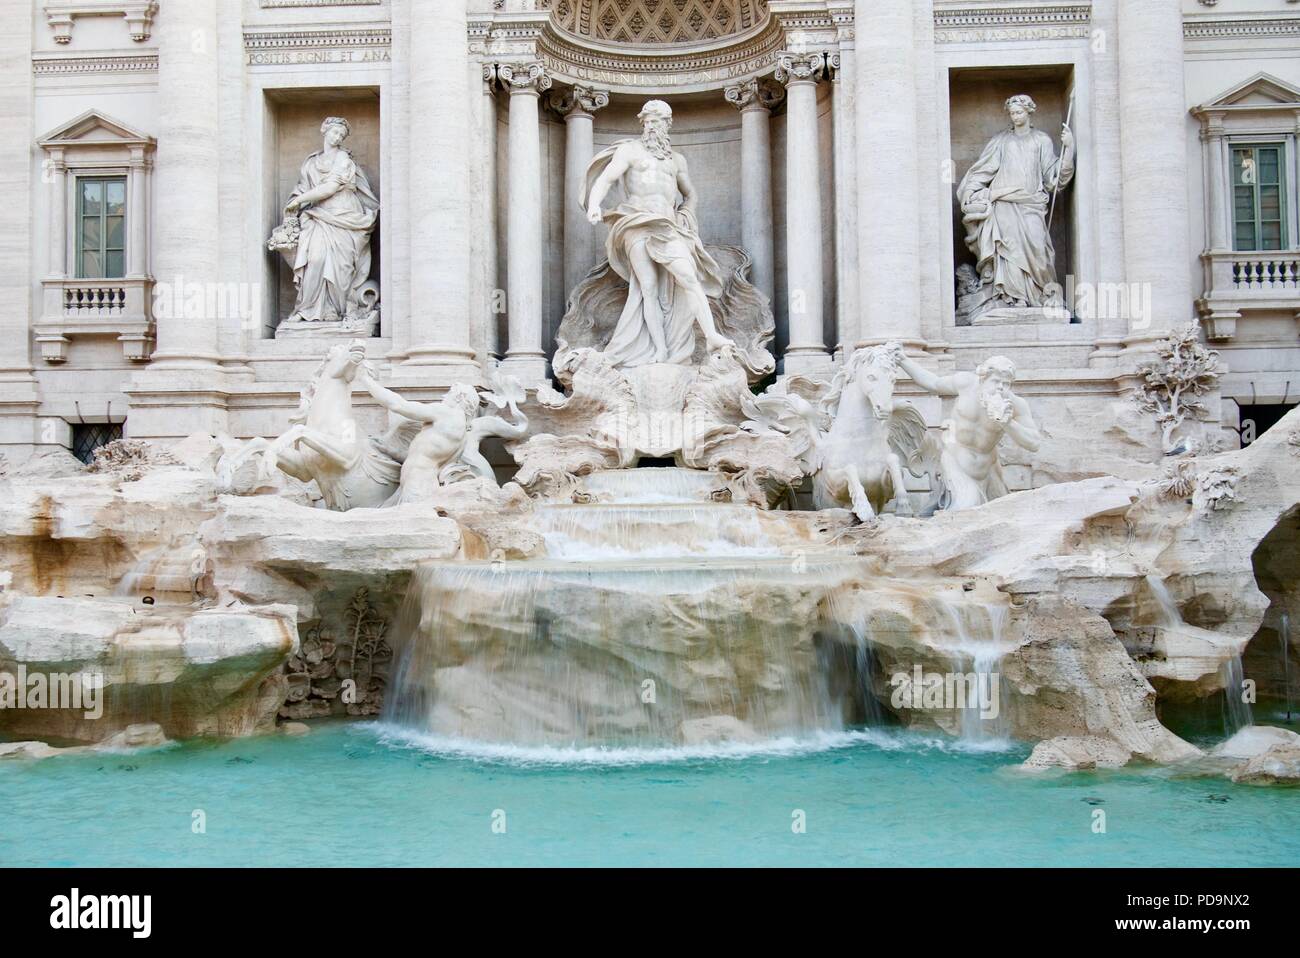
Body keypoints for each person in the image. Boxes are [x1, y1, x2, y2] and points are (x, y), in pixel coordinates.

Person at [583, 100, 733, 367]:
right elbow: (606, 179)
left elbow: (690, 194)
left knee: (689, 277)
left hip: (668, 226)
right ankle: (660, 350)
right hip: (636, 223)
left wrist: (686, 214)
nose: (652, 126)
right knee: (647, 287)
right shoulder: (630, 151)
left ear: (668, 124)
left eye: (658, 121)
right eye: (648, 121)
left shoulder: (677, 160)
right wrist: (594, 205)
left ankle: (711, 336)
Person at [956, 94, 1073, 313]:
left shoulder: (1041, 140)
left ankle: (1037, 296)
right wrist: (971, 191)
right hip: (1004, 205)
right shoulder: (1001, 141)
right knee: (1007, 250)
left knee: (1038, 249)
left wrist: (1068, 150)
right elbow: (983, 170)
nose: (1015, 116)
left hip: (1032, 204)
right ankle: (1010, 297)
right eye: (1012, 113)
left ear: (1029, 112)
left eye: (1019, 112)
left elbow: (1054, 178)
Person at [892, 346, 1042, 510]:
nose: (1000, 387)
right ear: (983, 379)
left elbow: (1034, 443)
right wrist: (904, 361)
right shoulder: (965, 383)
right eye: (995, 381)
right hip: (955, 462)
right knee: (965, 511)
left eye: (1006, 384)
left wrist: (1008, 423)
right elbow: (933, 383)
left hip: (988, 470)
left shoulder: (1016, 405)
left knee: (1001, 513)